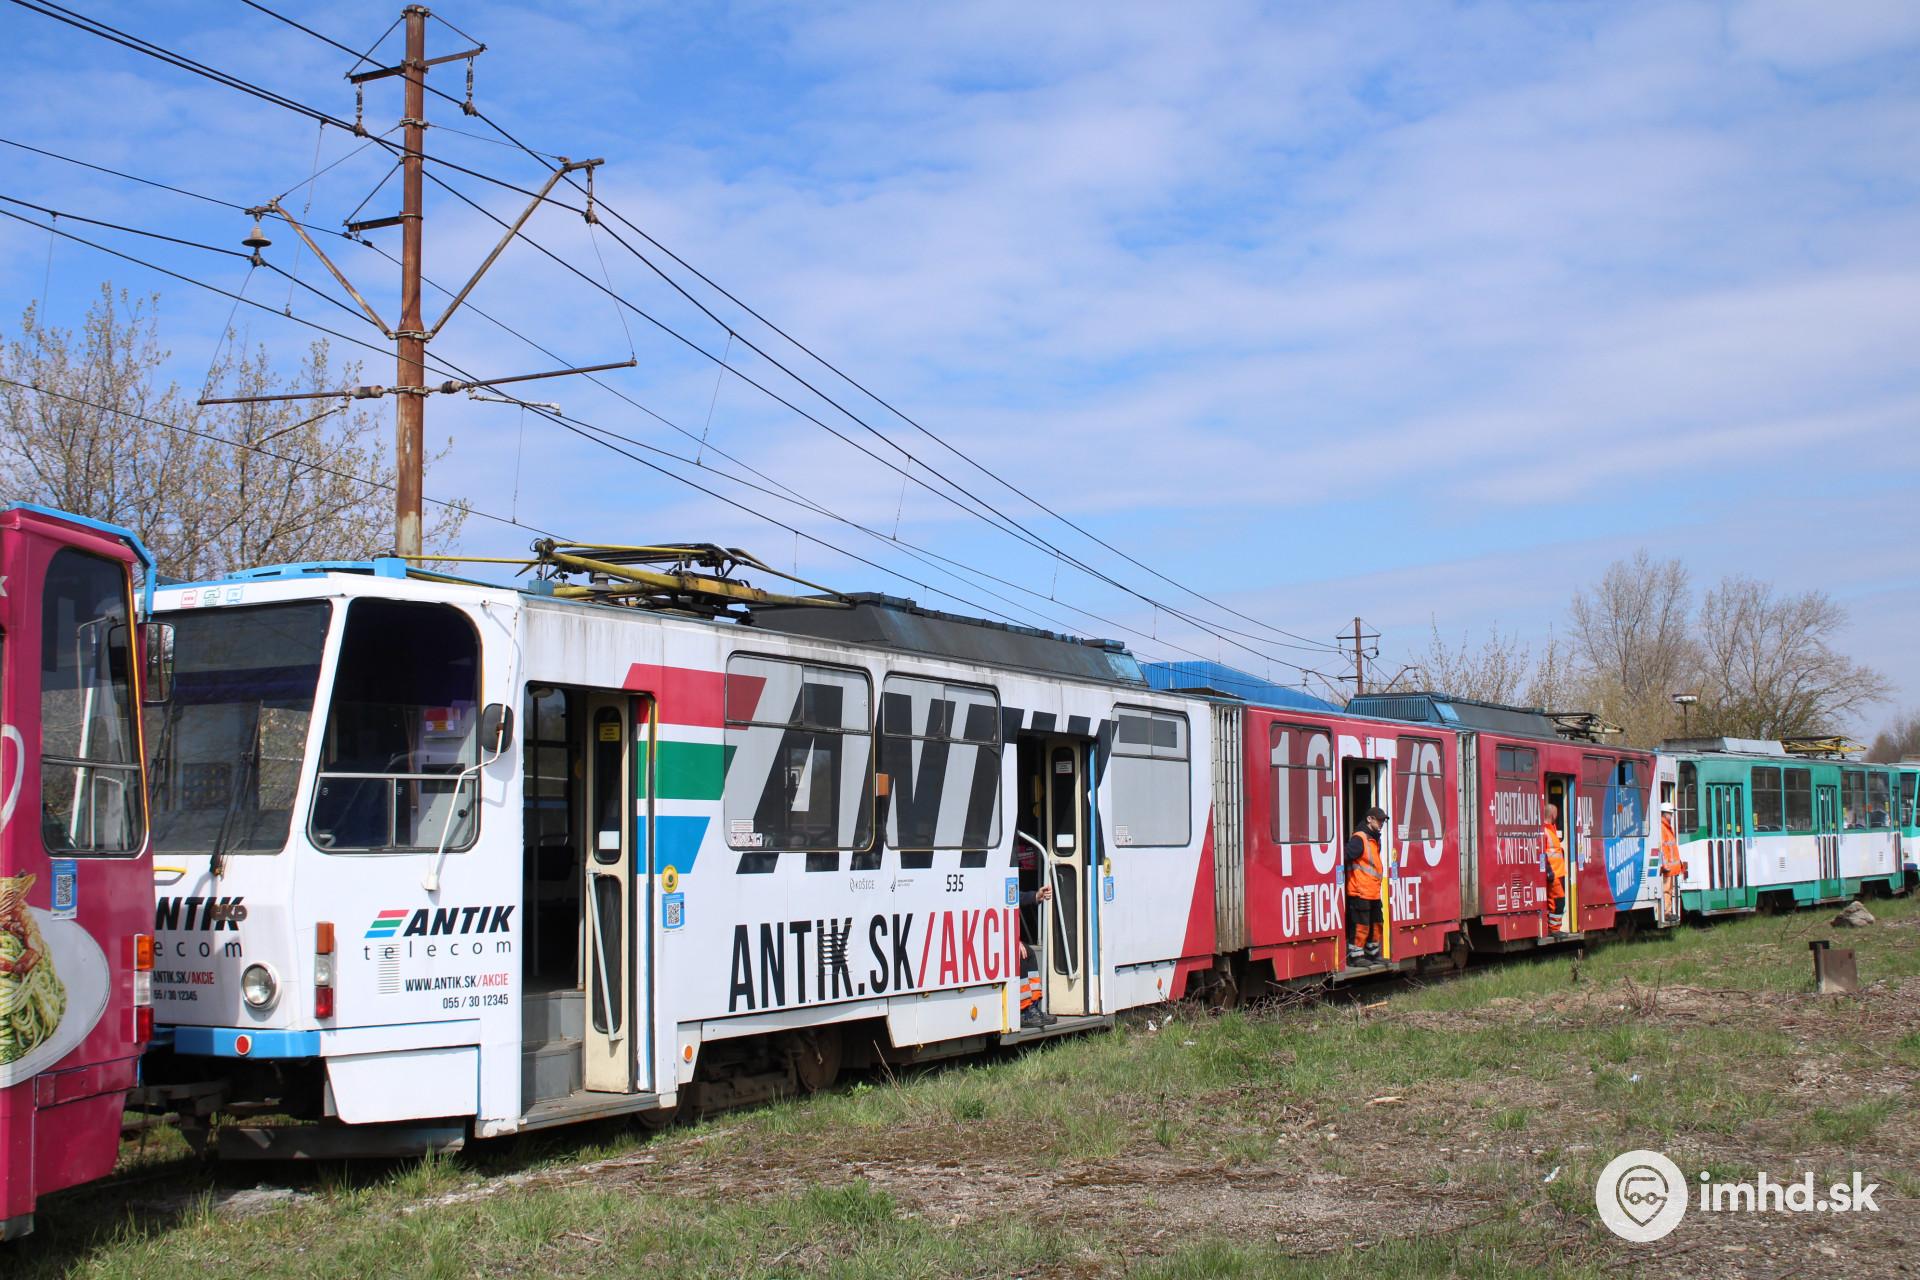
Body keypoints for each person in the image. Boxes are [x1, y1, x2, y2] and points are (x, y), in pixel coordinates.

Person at [1015, 837, 1057, 1028]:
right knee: (1021, 955)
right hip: (994, 937)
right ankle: (1023, 1011)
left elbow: (1012, 898)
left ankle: (1033, 1006)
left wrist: (1036, 896)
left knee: (1029, 952)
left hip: (1007, 936)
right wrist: (1011, 942)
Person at [1344, 806, 1388, 963]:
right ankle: (1356, 957)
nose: (1382, 822)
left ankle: (1372, 953)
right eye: (1380, 820)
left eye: (1384, 820)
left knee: (1377, 923)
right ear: (1370, 819)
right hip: (1359, 892)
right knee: (1360, 925)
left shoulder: (1375, 839)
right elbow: (1345, 856)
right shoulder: (1360, 838)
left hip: (1373, 892)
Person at [1657, 801, 1685, 920]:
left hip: (1671, 867)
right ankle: (1666, 913)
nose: (1671, 816)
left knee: (1669, 890)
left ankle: (1668, 911)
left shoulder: (1667, 828)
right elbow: (1662, 848)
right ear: (1664, 814)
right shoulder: (1663, 828)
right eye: (1670, 814)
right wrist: (1664, 864)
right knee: (1666, 890)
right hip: (1667, 867)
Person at [1543, 802, 1568, 930]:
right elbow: (1542, 853)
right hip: (1553, 874)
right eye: (1556, 814)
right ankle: (1554, 930)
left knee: (1556, 902)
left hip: (1558, 873)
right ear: (1553, 815)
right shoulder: (1545, 832)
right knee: (1558, 902)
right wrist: (1548, 871)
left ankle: (1554, 929)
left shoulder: (1551, 829)